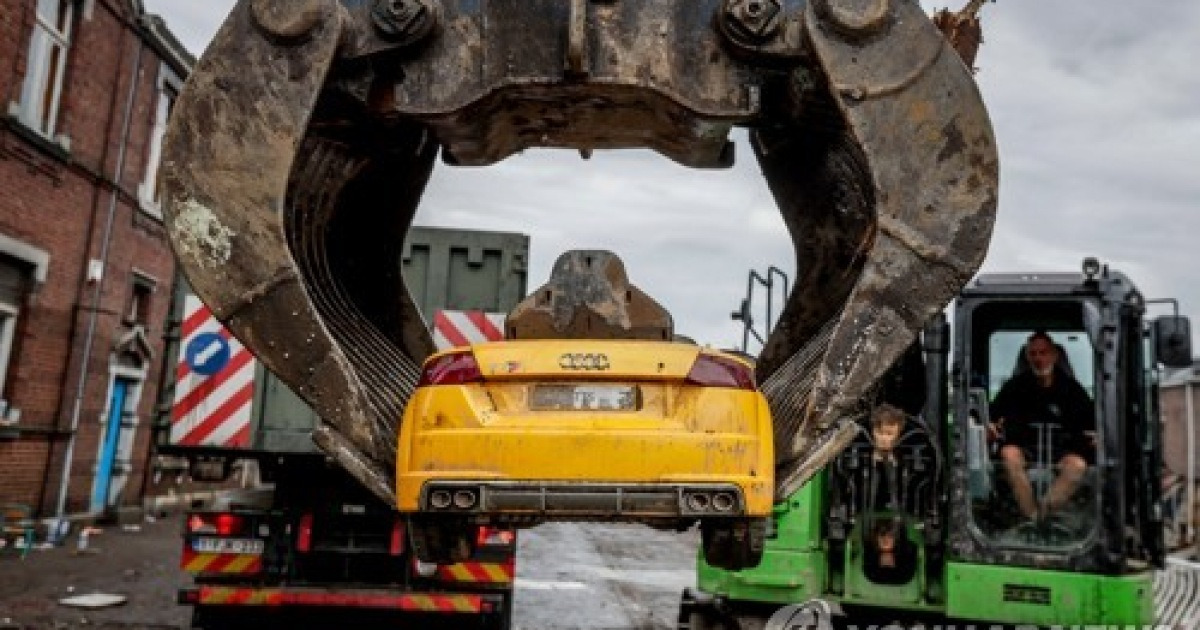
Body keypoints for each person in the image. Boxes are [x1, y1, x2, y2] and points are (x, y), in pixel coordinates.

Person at [988, 331, 1095, 520]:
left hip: (1062, 451)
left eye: (1043, 353)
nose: (1038, 359)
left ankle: (1043, 516)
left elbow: (1091, 423)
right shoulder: (1013, 388)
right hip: (1024, 448)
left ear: (1054, 355)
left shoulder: (1073, 390)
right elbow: (991, 416)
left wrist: (1096, 436)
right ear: (1027, 357)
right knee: (1009, 454)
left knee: (1077, 465)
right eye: (1033, 354)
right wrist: (990, 428)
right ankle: (1031, 517)